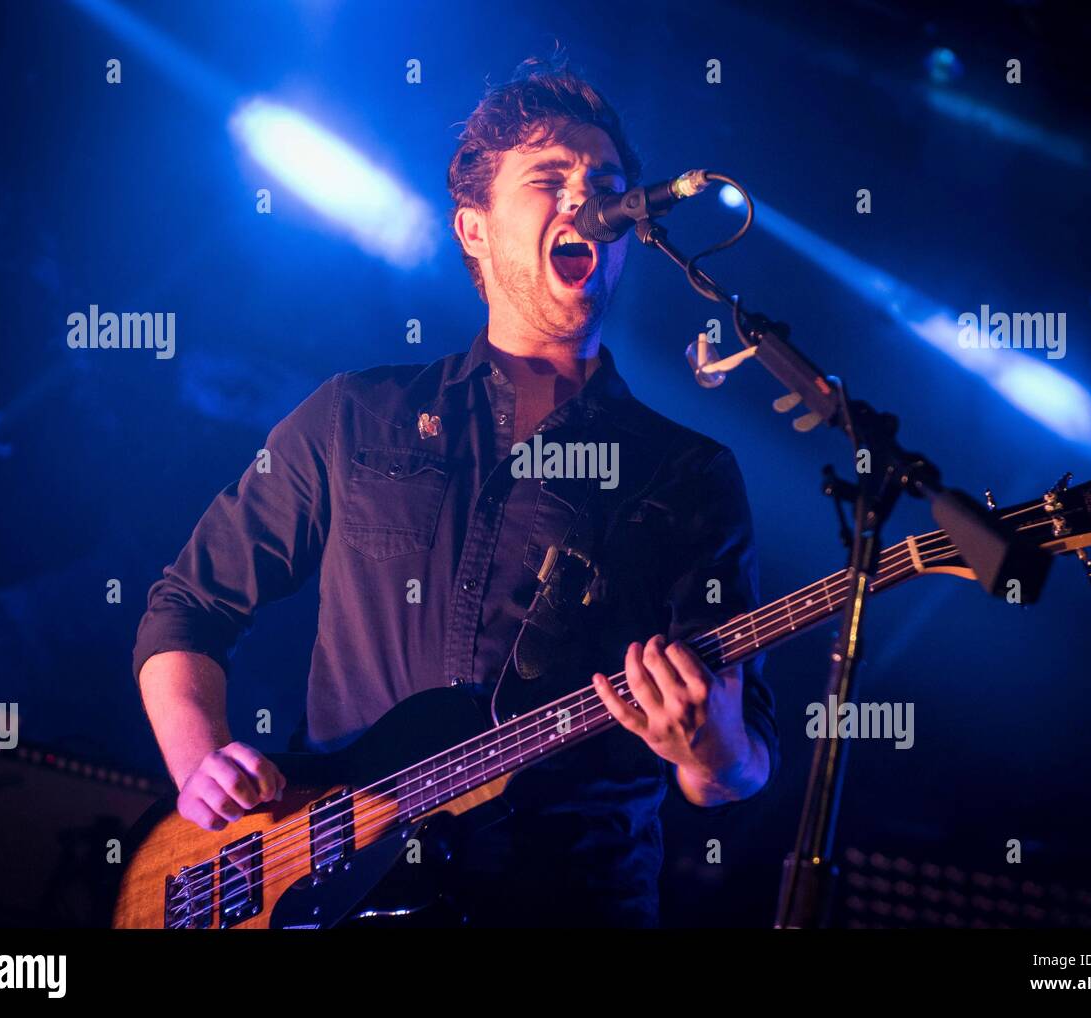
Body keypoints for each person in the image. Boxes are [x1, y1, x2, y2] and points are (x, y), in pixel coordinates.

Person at [132, 54, 778, 927]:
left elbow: (738, 766)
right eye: (550, 179)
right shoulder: (355, 414)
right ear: (473, 229)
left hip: (567, 904)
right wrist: (199, 762)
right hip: (332, 892)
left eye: (608, 184)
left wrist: (708, 750)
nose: (585, 199)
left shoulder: (687, 471)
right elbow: (186, 605)